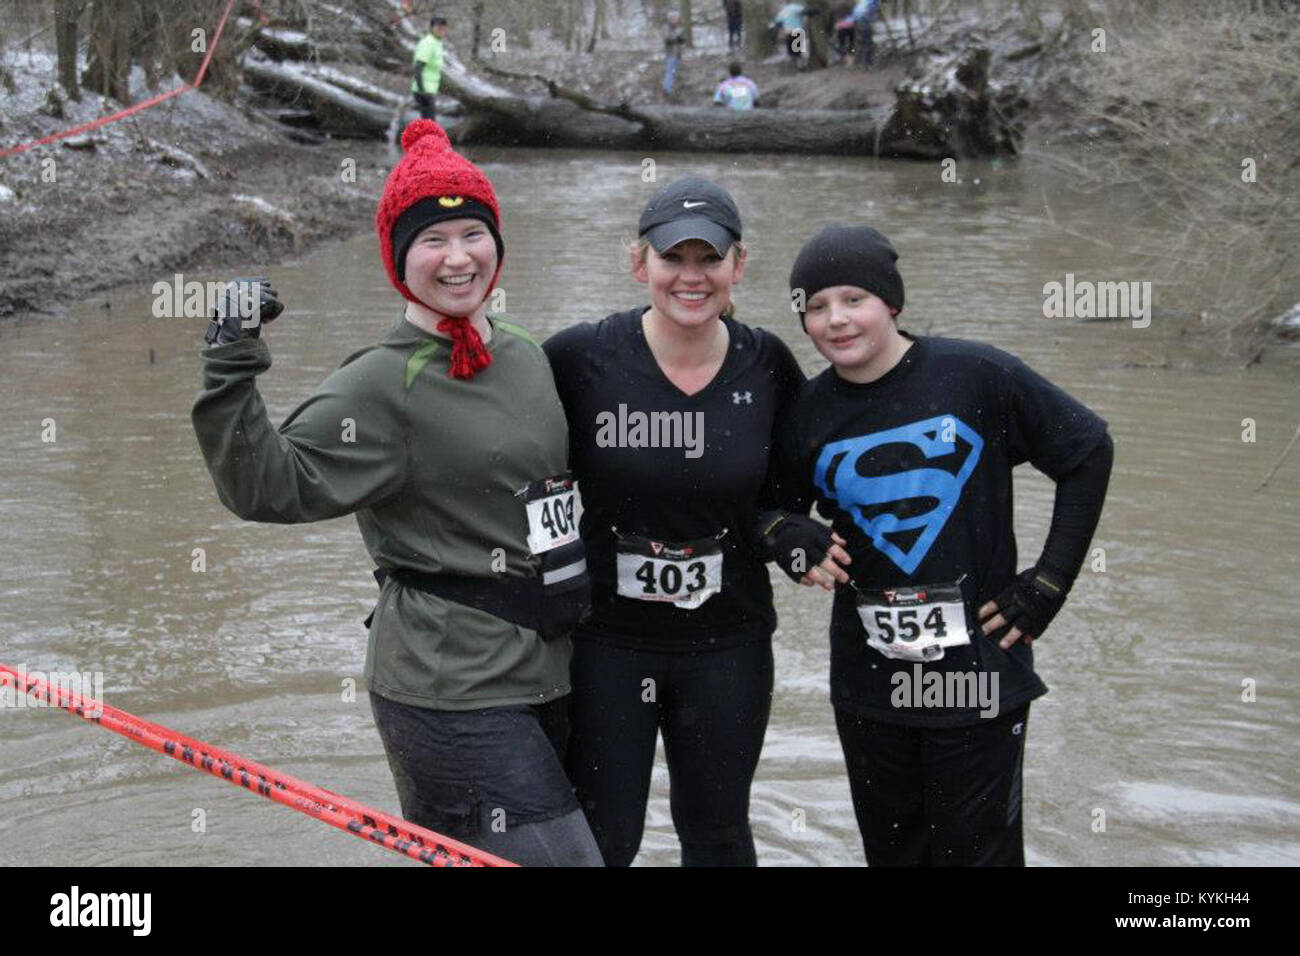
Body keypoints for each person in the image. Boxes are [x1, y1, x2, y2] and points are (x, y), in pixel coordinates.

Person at [190, 119, 603, 868]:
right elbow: (265, 485)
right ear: (397, 259)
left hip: (548, 669)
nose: (457, 258)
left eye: (473, 234)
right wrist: (230, 360)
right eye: (431, 242)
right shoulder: (383, 381)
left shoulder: (526, 356)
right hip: (448, 687)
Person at [768, 224, 1113, 866]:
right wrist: (788, 535)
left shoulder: (977, 375)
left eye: (853, 299)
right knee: (894, 857)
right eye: (815, 306)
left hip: (978, 674)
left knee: (978, 858)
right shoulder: (807, 412)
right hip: (871, 681)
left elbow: (1087, 448)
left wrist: (1049, 583)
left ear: (891, 303)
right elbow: (767, 508)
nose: (835, 320)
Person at [542, 177, 815, 866]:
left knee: (718, 834)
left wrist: (789, 533)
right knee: (604, 839)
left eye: (709, 260)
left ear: (738, 267)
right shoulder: (578, 360)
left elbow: (788, 493)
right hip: (607, 641)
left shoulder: (770, 365)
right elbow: (515, 463)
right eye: (673, 259)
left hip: (728, 643)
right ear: (640, 264)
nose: (691, 278)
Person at [412, 15, 449, 120]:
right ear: (432, 28)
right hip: (424, 90)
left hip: (430, 89)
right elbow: (418, 67)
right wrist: (422, 90)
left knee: (429, 123)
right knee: (430, 124)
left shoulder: (437, 43)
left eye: (444, 28)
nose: (441, 31)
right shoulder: (428, 43)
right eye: (438, 28)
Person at [769, 2, 808, 69]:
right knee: (798, 51)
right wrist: (818, 11)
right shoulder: (795, 7)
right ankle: (801, 66)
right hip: (797, 31)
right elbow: (806, 12)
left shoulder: (783, 11)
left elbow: (778, 22)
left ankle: (795, 66)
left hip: (788, 33)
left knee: (791, 51)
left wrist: (773, 33)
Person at [662, 9, 687, 98]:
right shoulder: (666, 28)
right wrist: (677, 37)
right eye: (675, 18)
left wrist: (681, 38)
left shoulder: (678, 28)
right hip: (671, 53)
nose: (676, 20)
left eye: (677, 18)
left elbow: (682, 39)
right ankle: (667, 89)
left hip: (677, 53)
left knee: (674, 72)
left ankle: (672, 90)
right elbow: (667, 39)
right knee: (670, 72)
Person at [852, 0, 878, 68]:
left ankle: (862, 62)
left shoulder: (863, 1)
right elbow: (868, 12)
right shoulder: (872, 2)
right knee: (868, 43)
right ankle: (866, 63)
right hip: (864, 22)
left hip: (857, 22)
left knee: (862, 43)